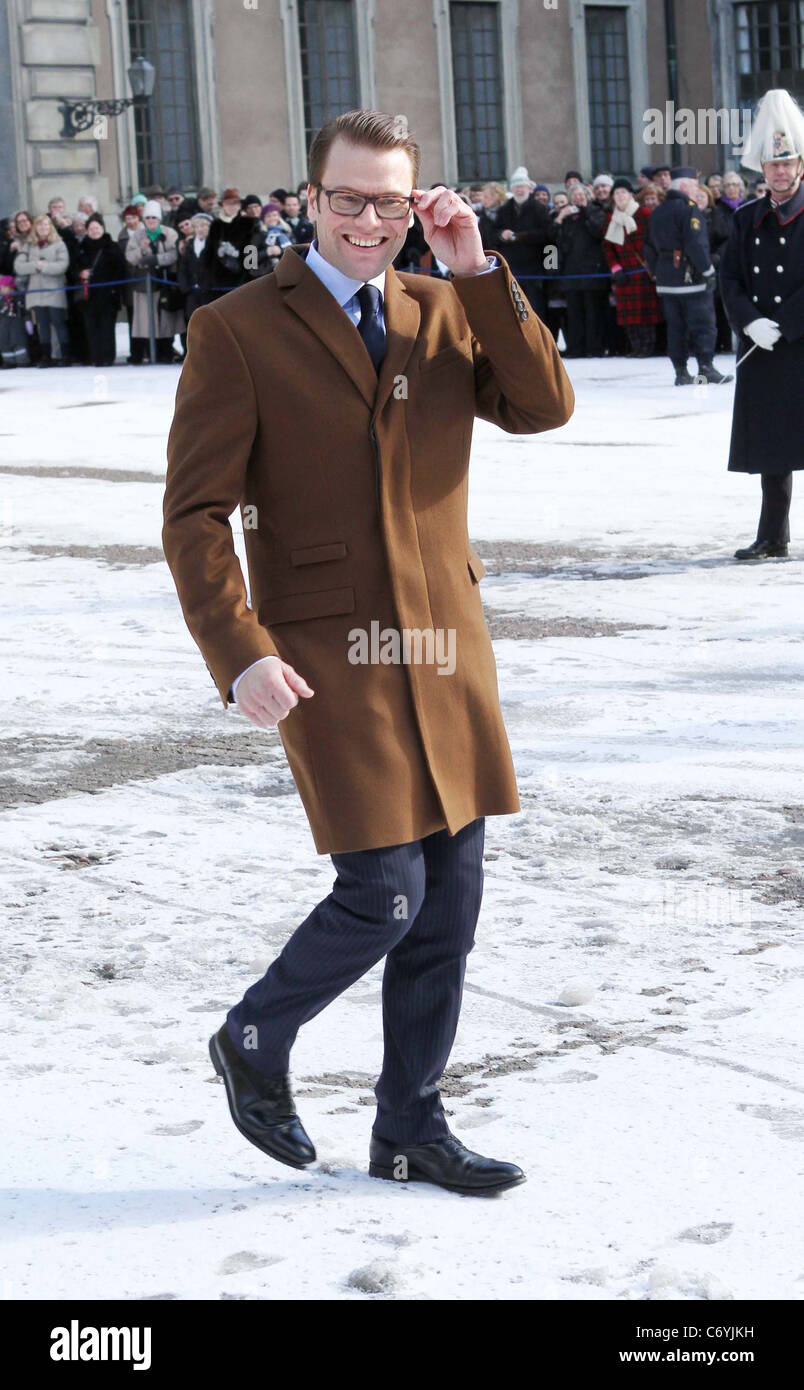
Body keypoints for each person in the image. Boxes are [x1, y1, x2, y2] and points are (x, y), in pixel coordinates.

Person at [162, 107, 574, 1196]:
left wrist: (478, 271)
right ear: (311, 199)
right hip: (323, 650)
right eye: (348, 197)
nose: (369, 220)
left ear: (417, 204)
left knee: (448, 901)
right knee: (382, 890)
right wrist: (237, 650)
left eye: (392, 200)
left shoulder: (444, 307)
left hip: (443, 643)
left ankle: (410, 1126)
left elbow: (544, 405)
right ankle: (255, 1036)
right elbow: (195, 515)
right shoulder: (239, 328)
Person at [720, 88, 804, 560]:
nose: (779, 171)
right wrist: (750, 322)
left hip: (799, 342)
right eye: (772, 164)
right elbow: (729, 276)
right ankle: (773, 536)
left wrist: (785, 323)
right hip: (763, 348)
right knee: (774, 447)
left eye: (786, 162)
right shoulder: (747, 217)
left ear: (799, 165)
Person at [643, 165, 733, 385]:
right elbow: (695, 244)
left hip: (666, 280)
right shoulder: (689, 210)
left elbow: (648, 246)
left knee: (676, 327)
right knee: (703, 324)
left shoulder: (658, 212)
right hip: (690, 278)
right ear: (683, 186)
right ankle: (705, 366)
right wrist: (707, 270)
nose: (696, 191)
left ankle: (681, 371)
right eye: (693, 186)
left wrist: (657, 272)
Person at [602, 177, 662, 356]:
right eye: (617, 193)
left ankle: (648, 347)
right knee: (629, 315)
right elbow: (607, 247)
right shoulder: (611, 218)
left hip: (644, 272)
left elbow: (654, 242)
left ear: (631, 195)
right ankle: (636, 347)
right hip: (624, 273)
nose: (620, 196)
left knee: (646, 314)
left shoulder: (644, 214)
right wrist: (615, 268)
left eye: (623, 193)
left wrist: (652, 264)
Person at [490, 166, 555, 317]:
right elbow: (493, 234)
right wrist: (501, 234)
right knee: (513, 311)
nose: (520, 190)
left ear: (529, 189)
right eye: (517, 187)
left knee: (534, 310)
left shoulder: (539, 209)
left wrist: (521, 236)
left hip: (534, 269)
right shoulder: (504, 210)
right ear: (512, 189)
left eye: (522, 187)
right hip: (512, 268)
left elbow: (547, 235)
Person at [125, 198, 183, 363]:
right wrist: (142, 251)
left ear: (159, 219)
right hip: (144, 284)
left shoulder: (169, 233)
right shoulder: (137, 236)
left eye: (154, 218)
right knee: (144, 320)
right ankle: (146, 353)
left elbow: (174, 254)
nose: (151, 221)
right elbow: (129, 256)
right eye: (148, 218)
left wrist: (157, 259)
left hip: (164, 283)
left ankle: (166, 351)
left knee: (165, 320)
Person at [555, 182, 608, 356]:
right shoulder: (567, 216)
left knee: (593, 312)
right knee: (574, 313)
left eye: (581, 195)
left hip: (593, 270)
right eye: (575, 195)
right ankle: (576, 347)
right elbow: (554, 240)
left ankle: (594, 348)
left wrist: (585, 212)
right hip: (571, 271)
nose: (578, 197)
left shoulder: (595, 211)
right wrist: (560, 217)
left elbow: (598, 232)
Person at [12, 212, 71, 366]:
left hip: (54, 290)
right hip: (36, 292)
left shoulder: (59, 244)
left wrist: (43, 266)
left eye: (46, 224)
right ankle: (46, 356)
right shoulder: (28, 245)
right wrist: (35, 266)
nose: (43, 227)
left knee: (58, 322)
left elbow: (62, 266)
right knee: (42, 324)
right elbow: (19, 267)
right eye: (40, 225)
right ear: (35, 228)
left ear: (50, 227)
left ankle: (65, 355)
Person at [75, 212, 127, 365]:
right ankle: (96, 357)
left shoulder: (112, 246)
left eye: (97, 228)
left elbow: (120, 269)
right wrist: (80, 273)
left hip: (108, 295)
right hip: (88, 295)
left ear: (103, 228)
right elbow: (74, 267)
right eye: (91, 228)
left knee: (107, 327)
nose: (94, 231)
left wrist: (115, 289)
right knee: (91, 328)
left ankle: (107, 357)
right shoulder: (82, 247)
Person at [177, 211, 214, 320]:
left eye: (203, 225)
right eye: (197, 226)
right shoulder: (190, 245)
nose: (200, 229)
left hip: (209, 292)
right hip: (192, 293)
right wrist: (185, 288)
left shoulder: (214, 244)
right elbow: (183, 268)